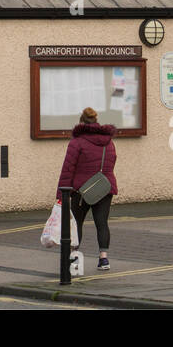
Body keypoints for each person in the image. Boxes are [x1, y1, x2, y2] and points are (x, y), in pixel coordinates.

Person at [57, 107, 118, 271]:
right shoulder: (108, 141)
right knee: (102, 223)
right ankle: (103, 259)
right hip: (104, 187)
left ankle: (74, 258)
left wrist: (61, 194)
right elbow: (111, 162)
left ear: (81, 122)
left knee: (77, 224)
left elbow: (68, 168)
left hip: (81, 190)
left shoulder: (77, 142)